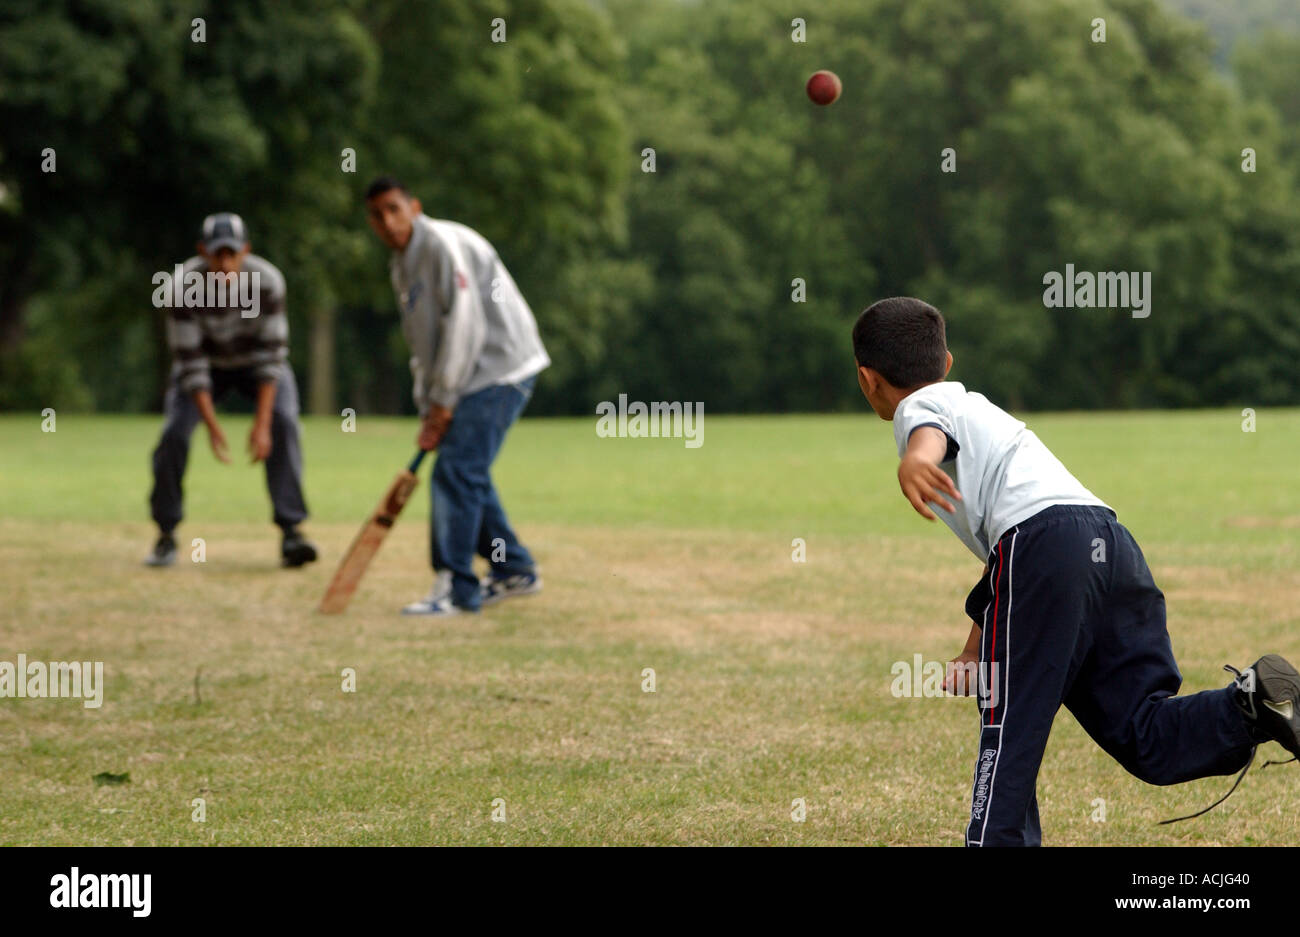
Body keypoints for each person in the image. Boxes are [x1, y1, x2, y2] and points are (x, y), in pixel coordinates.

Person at [852, 295, 1300, 846]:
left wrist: (917, 460)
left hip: (1047, 547)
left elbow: (934, 439)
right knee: (1144, 731)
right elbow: (1008, 569)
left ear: (867, 379)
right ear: (948, 361)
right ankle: (1255, 703)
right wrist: (976, 648)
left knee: (1010, 725)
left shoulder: (920, 409)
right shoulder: (980, 408)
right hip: (1108, 543)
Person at [364, 176, 549, 615]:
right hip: (468, 375)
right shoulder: (402, 264)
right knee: (468, 472)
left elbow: (465, 327)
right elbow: (423, 344)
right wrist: (429, 407)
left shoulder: (442, 246)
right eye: (377, 214)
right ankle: (513, 568)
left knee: (456, 473)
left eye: (394, 208)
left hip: (501, 368)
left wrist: (444, 402)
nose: (388, 221)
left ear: (414, 207)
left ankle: (455, 587)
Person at [145, 212, 316, 568]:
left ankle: (292, 531)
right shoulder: (180, 286)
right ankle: (165, 533)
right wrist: (211, 424)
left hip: (256, 367)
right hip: (205, 367)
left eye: (232, 254)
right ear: (202, 252)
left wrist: (262, 423)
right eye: (217, 254)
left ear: (245, 251)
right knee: (174, 434)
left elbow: (272, 358)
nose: (224, 263)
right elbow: (190, 363)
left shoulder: (267, 282)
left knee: (284, 422)